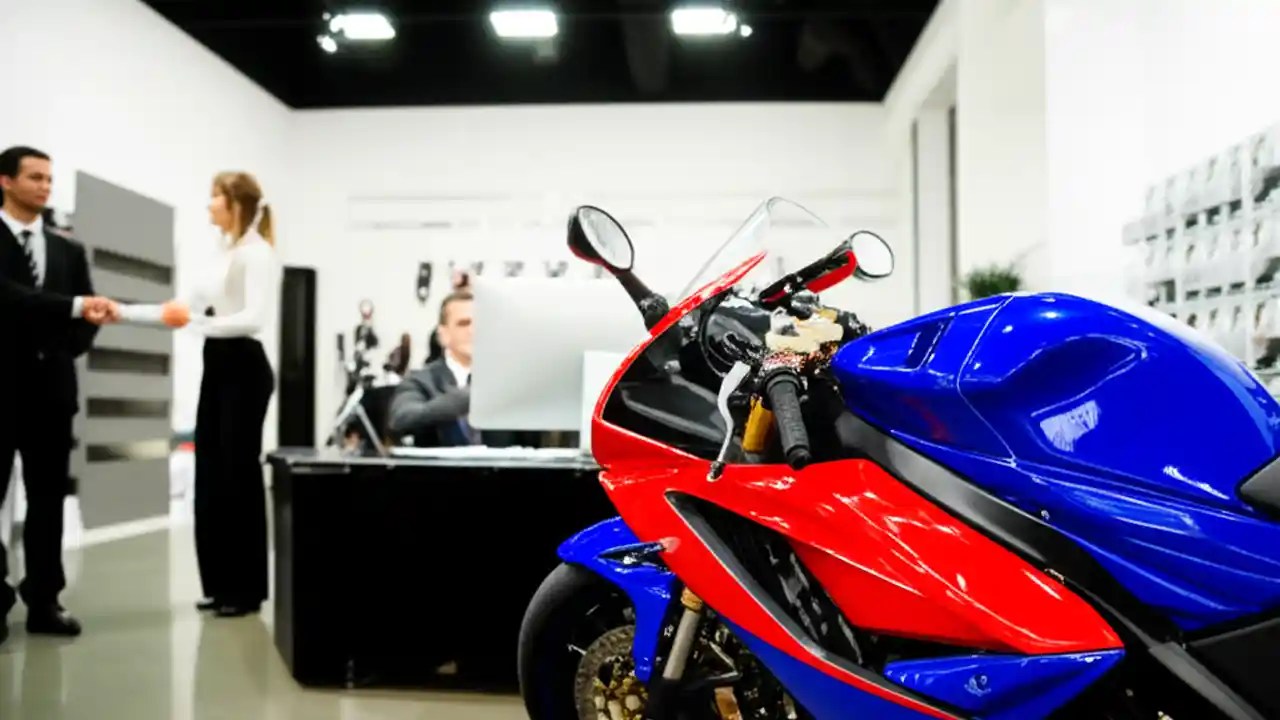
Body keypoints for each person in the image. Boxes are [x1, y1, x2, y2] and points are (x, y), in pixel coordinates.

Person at [119, 171, 280, 618]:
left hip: (244, 367)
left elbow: (253, 318)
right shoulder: (219, 254)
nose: (209, 204)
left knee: (237, 474)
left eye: (215, 197)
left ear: (235, 203)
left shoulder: (257, 254)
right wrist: (122, 312)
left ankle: (245, 591)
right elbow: (179, 309)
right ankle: (219, 584)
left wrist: (196, 323)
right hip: (218, 364)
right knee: (209, 473)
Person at [0, 146, 117, 645]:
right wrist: (70, 308)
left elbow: (88, 317)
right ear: (6, 181)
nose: (45, 187)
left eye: (49, 179)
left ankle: (45, 600)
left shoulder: (69, 251)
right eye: (35, 177)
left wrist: (65, 344)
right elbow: (9, 298)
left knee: (48, 501)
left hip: (52, 393)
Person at [389, 290, 481, 446]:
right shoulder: (420, 381)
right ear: (443, 334)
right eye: (463, 324)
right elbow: (401, 418)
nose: (473, 330)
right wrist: (458, 402)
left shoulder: (507, 381)